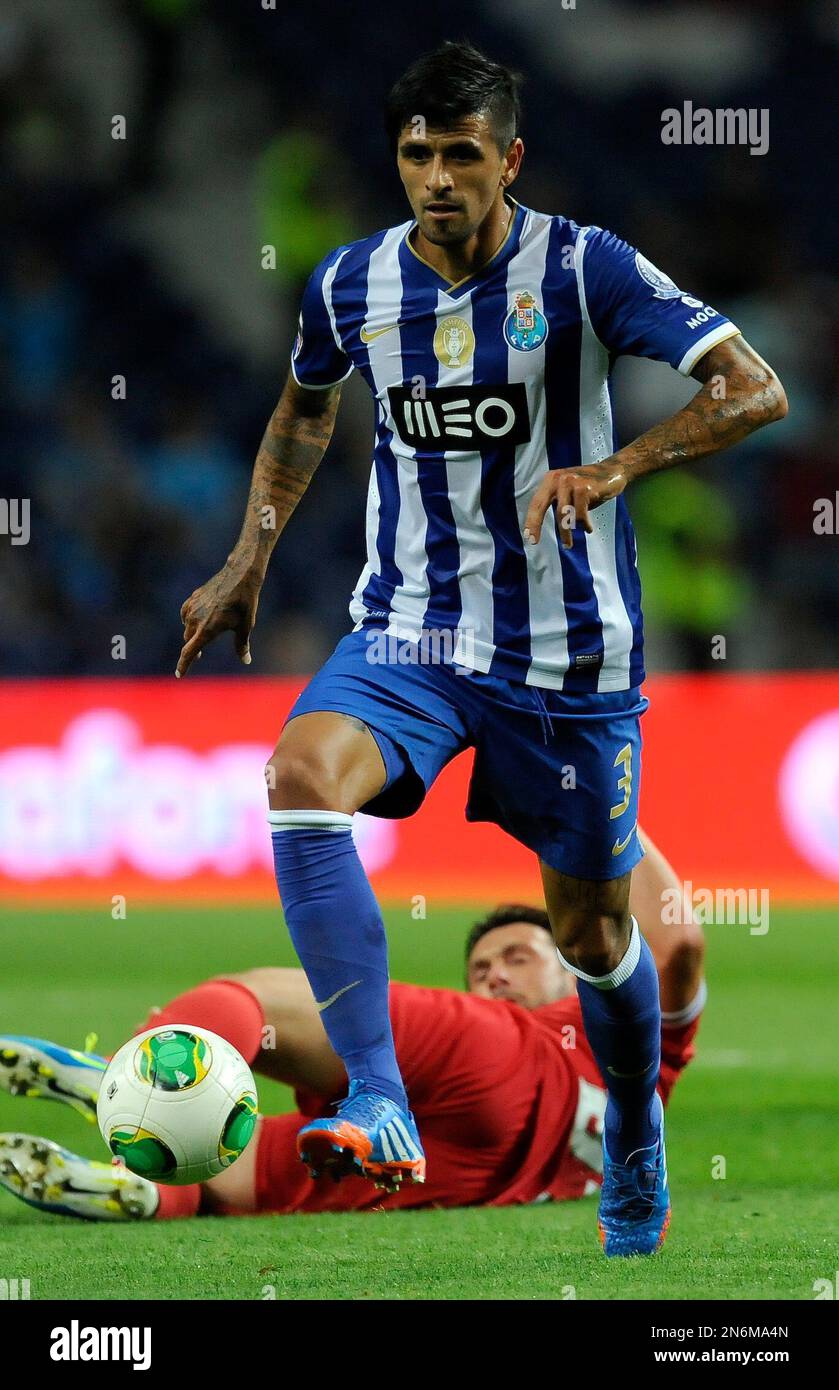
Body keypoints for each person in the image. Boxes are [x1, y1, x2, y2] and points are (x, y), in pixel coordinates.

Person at [173, 42, 786, 1255]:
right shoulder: (348, 283)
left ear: (509, 158)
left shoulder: (585, 266)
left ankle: (637, 1142)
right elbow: (304, 405)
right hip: (406, 631)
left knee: (597, 938)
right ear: (395, 160)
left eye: (461, 154)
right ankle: (377, 1089)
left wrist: (616, 466)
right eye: (415, 154)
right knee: (301, 776)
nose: (436, 177)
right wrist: (249, 554)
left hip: (565, 663)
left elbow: (749, 388)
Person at [0, 837, 704, 1228]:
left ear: (578, 971)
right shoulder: (650, 1060)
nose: (492, 974)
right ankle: (143, 1187)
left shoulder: (581, 1018)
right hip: (453, 1173)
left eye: (517, 957)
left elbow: (671, 946)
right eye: (480, 967)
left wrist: (603, 808)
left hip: (498, 1061)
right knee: (221, 1175)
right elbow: (679, 948)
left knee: (255, 1000)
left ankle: (126, 1080)